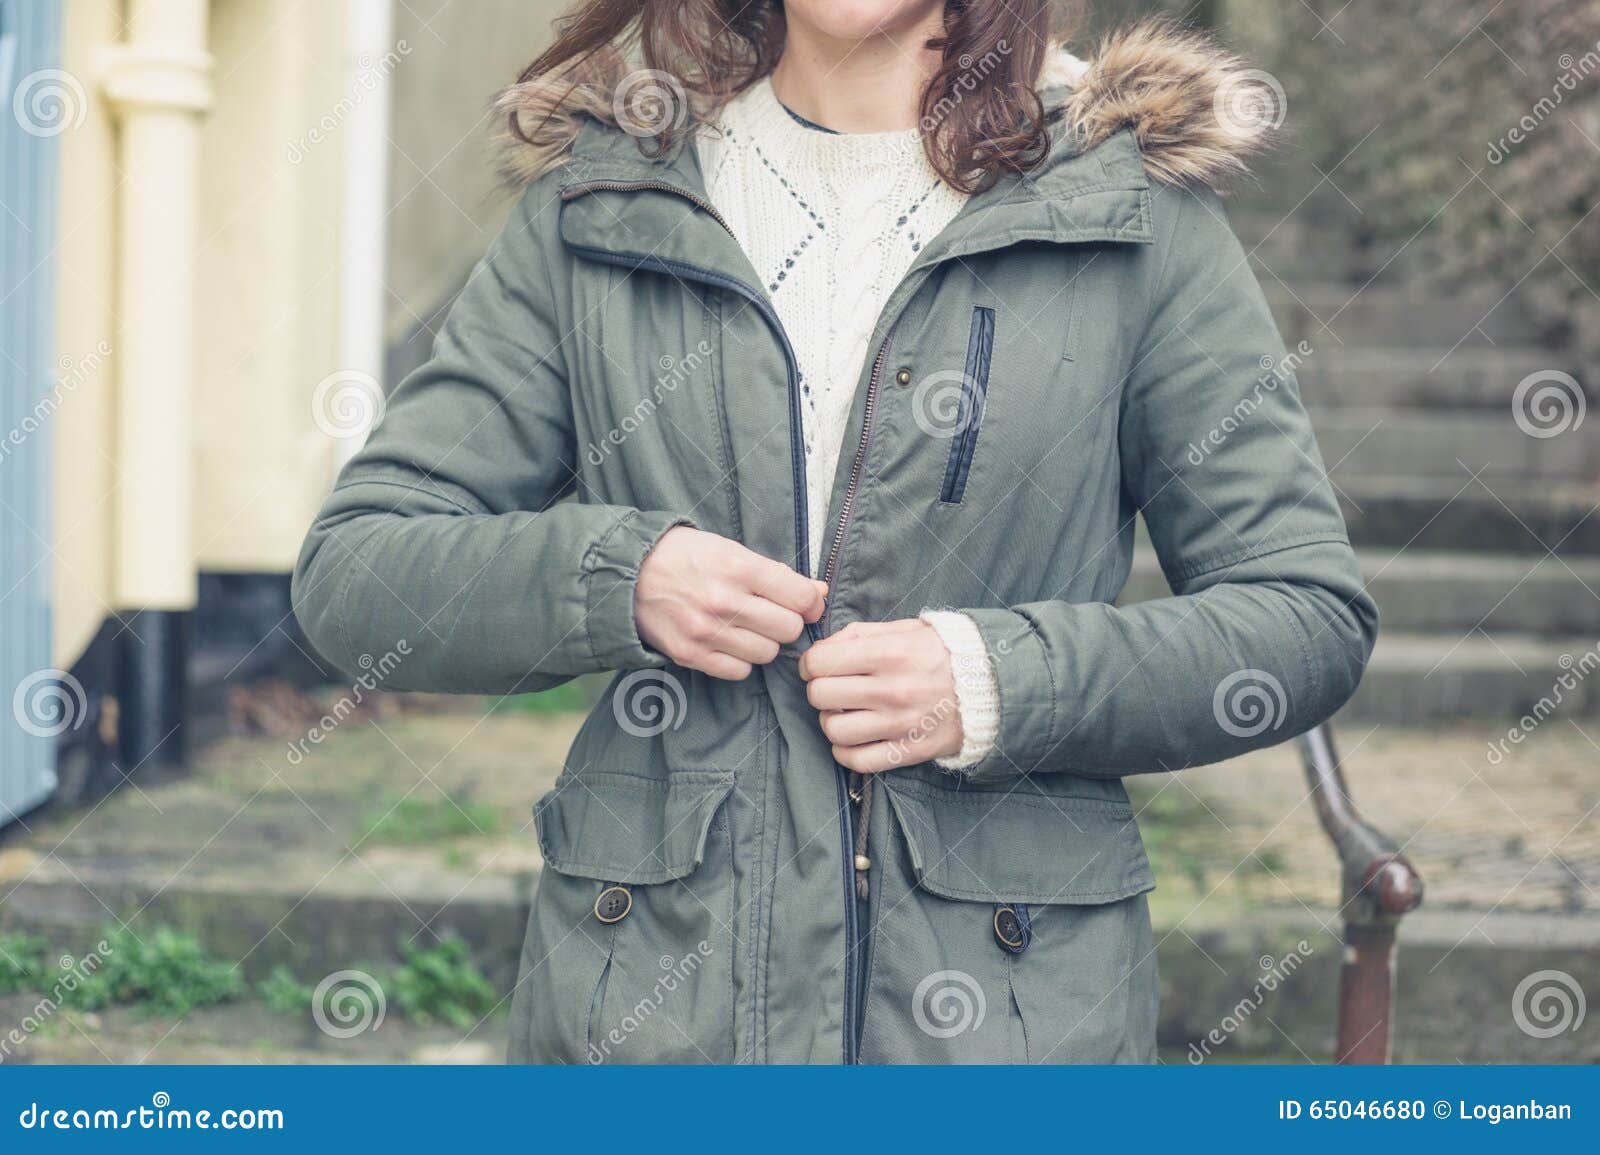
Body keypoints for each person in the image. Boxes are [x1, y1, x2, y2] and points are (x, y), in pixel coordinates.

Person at [292, 1, 1377, 1064]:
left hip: (1009, 1032)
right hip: (650, 1027)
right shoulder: (604, 197)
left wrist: (997, 680)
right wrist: (618, 576)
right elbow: (358, 572)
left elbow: (1300, 618)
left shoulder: (1130, 207)